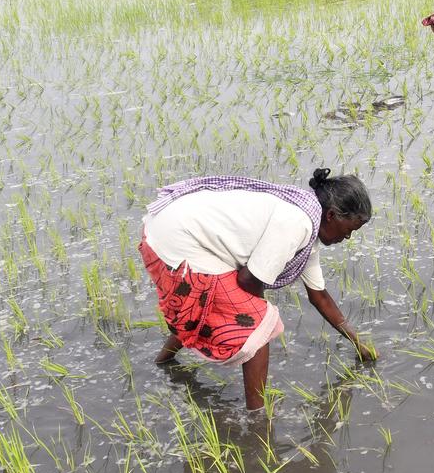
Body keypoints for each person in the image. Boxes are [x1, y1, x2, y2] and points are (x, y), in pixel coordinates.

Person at [139, 169, 377, 411]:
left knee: (212, 303)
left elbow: (319, 296)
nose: (348, 237)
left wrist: (358, 343)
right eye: (350, 229)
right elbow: (249, 280)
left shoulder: (308, 223)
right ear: (332, 215)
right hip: (179, 240)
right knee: (261, 322)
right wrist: (258, 317)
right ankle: (258, 418)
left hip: (167, 228)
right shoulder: (298, 224)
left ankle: (163, 362)